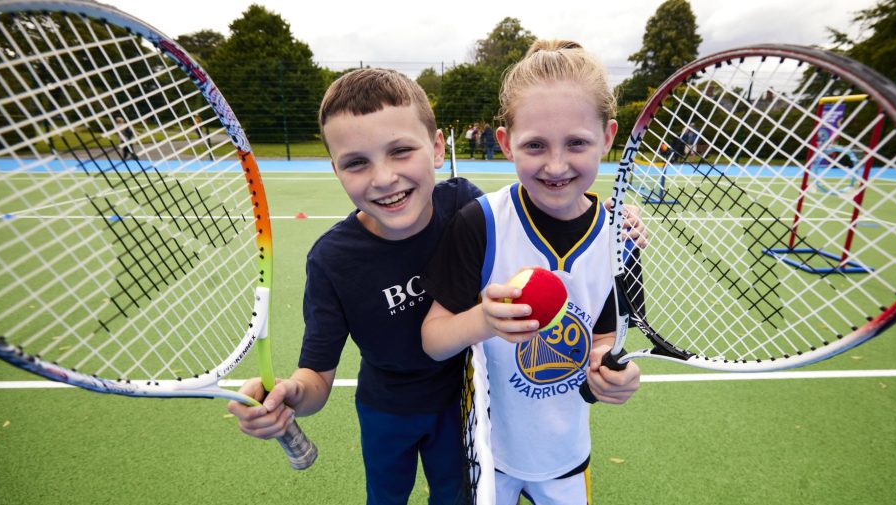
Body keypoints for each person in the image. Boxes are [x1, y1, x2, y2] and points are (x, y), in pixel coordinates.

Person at [225, 67, 644, 505]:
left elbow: (534, 215)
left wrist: (604, 218)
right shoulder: (333, 261)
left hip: (462, 404)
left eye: (401, 151)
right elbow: (316, 379)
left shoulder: (465, 206)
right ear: (336, 169)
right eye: (356, 162)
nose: (384, 178)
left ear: (438, 147)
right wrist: (292, 394)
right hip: (386, 408)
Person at [420, 40, 642, 504]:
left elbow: (604, 339)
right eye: (535, 145)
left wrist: (611, 376)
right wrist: (482, 321)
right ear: (505, 143)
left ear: (608, 137)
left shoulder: (622, 239)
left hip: (565, 453)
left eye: (577, 143)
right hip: (485, 453)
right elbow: (434, 339)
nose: (556, 165)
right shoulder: (481, 222)